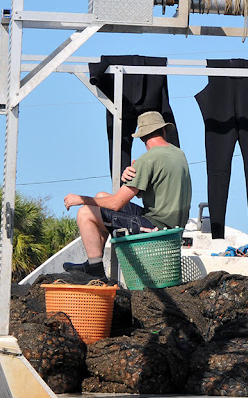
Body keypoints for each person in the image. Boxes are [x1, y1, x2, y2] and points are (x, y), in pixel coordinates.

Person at [62, 111, 192, 277]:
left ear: (142, 137)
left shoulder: (147, 160)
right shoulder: (178, 154)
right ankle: (93, 262)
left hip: (156, 230)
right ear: (164, 131)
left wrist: (81, 199)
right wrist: (134, 178)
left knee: (86, 212)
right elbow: (161, 189)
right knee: (101, 196)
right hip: (173, 227)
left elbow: (117, 203)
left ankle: (95, 272)